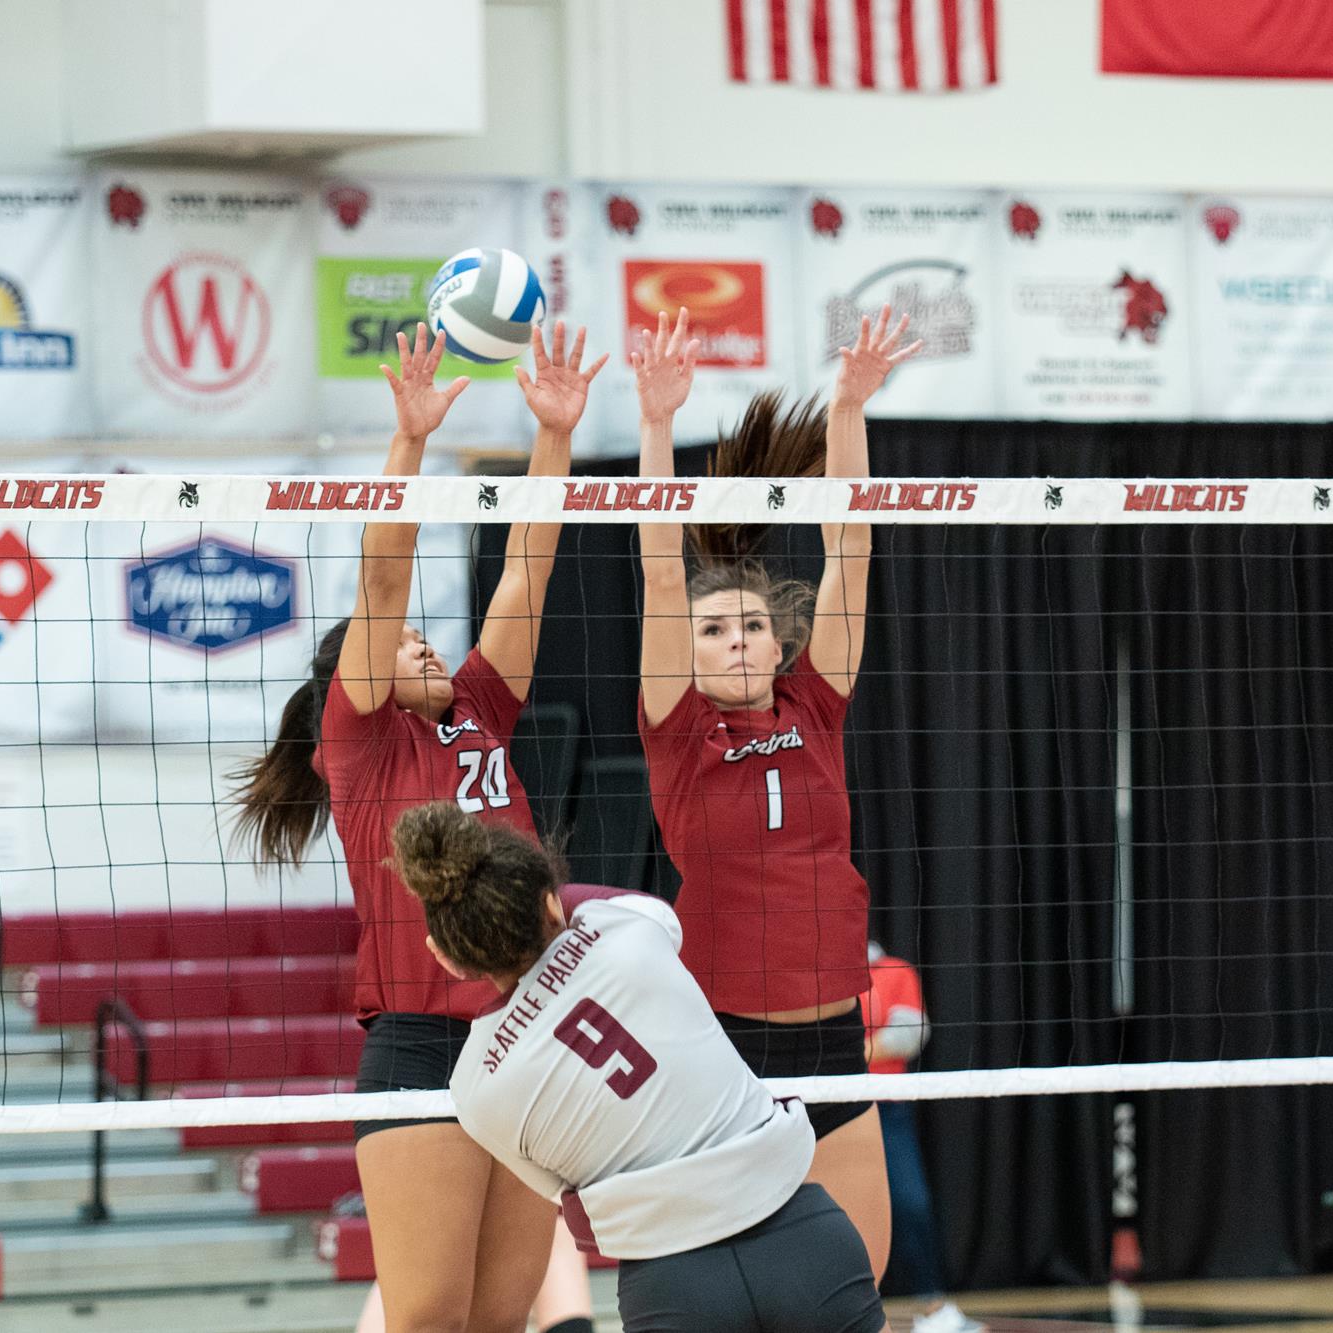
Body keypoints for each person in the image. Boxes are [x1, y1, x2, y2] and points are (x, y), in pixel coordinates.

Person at [231, 321, 605, 1333]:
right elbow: (382, 580)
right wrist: (409, 445)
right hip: (423, 1046)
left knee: (501, 1318)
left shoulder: (481, 703)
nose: (421, 638)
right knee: (429, 1318)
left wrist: (554, 438)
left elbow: (525, 573)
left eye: (418, 634)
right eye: (395, 644)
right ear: (351, 679)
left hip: (529, 1036)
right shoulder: (359, 742)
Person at [630, 304, 920, 1280]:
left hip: (833, 1036)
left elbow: (854, 547)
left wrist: (845, 408)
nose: (737, 640)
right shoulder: (678, 729)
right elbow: (660, 575)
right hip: (721, 1051)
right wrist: (657, 425)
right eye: (715, 631)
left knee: (854, 1283)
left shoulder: (815, 701)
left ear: (777, 636)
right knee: (729, 1284)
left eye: (751, 624)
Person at [392, 800, 887, 1333]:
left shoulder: (476, 1089)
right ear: (550, 904)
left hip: (671, 1283)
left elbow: (566, 1196)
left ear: (447, 958)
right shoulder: (625, 928)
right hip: (799, 1234)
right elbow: (600, 909)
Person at [860, 942, 984, 1333]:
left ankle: (933, 1307)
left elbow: (905, 1039)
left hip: (887, 1107)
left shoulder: (894, 971)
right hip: (829, 1105)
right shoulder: (817, 974)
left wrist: (842, 1051)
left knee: (911, 1203)